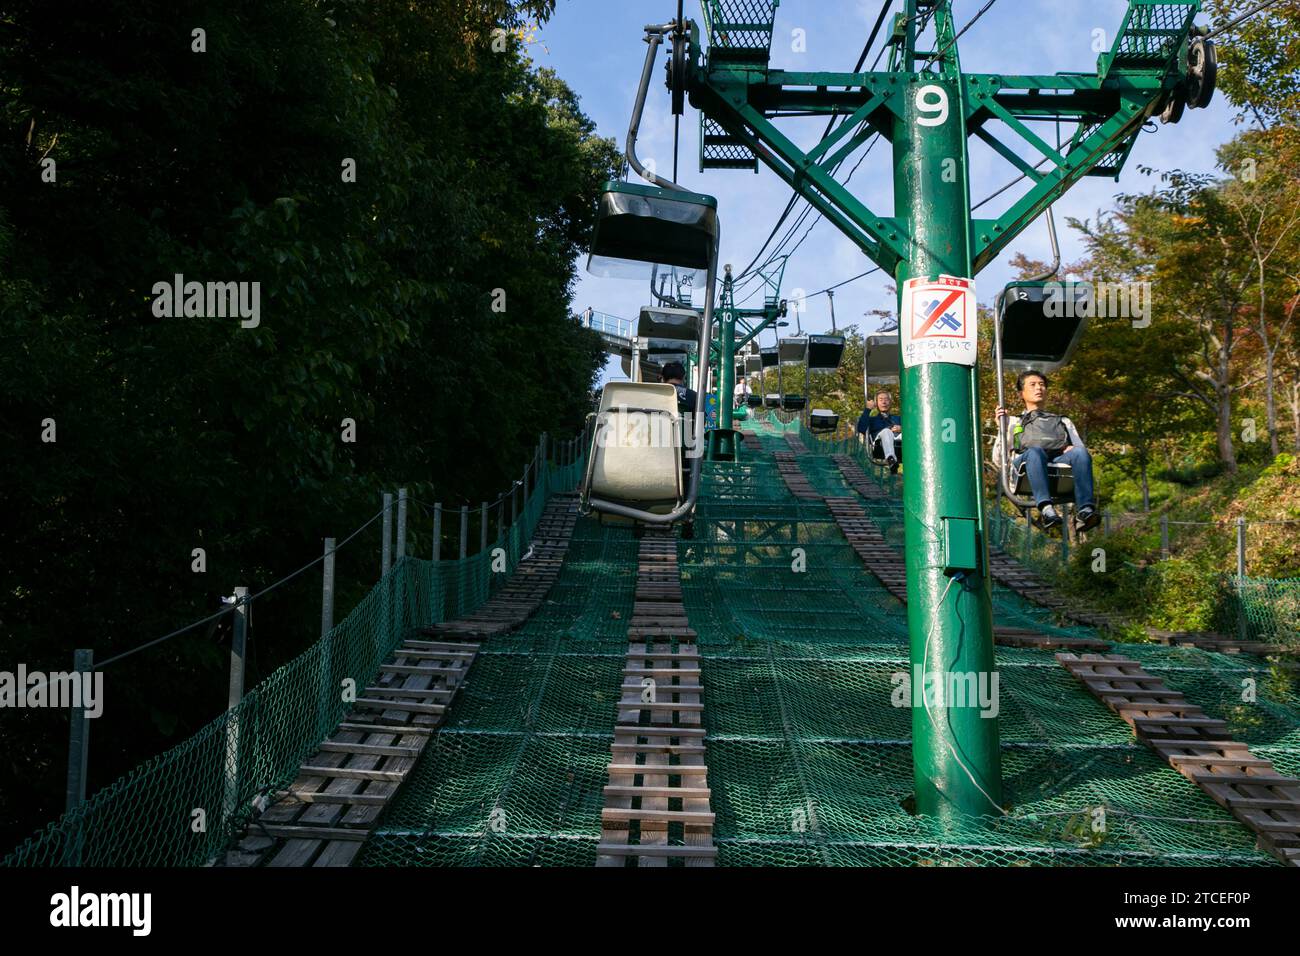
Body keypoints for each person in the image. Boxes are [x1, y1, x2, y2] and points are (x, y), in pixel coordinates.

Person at [994, 369, 1099, 532]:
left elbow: (1080, 452)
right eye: (1033, 385)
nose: (1038, 388)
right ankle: (1046, 508)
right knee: (1036, 452)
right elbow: (998, 459)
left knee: (1080, 453)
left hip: (1056, 462)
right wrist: (1002, 428)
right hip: (1027, 462)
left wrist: (1073, 449)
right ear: (1022, 393)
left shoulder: (1062, 421)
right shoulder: (1015, 422)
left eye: (1042, 385)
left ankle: (1085, 510)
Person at [856, 390, 903, 473]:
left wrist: (902, 429)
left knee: (906, 433)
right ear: (876, 403)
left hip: (898, 440)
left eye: (886, 399)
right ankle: (891, 459)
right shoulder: (872, 420)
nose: (884, 402)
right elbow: (861, 429)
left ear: (890, 402)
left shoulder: (898, 418)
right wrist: (868, 409)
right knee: (886, 431)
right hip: (880, 443)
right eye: (881, 400)